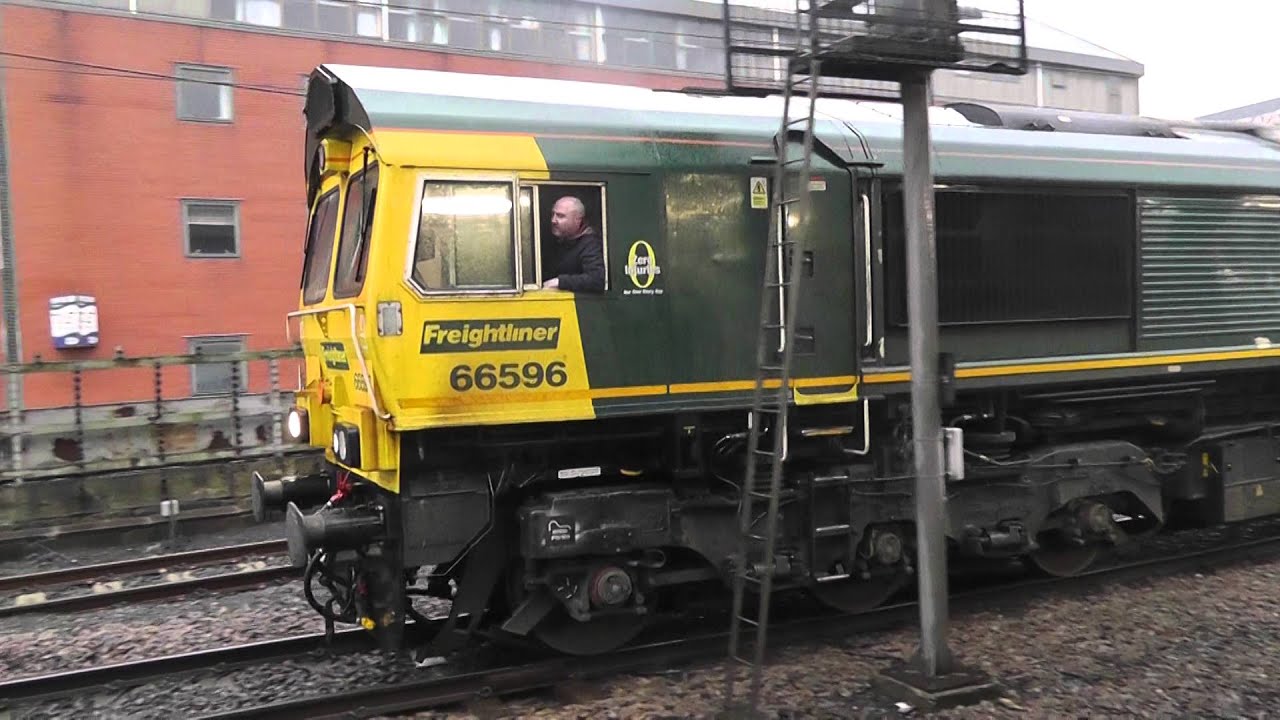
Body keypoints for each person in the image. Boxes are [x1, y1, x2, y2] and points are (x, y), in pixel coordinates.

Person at [542, 196, 605, 293]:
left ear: (577, 220)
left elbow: (596, 279)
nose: (553, 220)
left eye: (560, 216)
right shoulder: (558, 242)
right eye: (553, 214)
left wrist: (560, 282)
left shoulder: (590, 244)